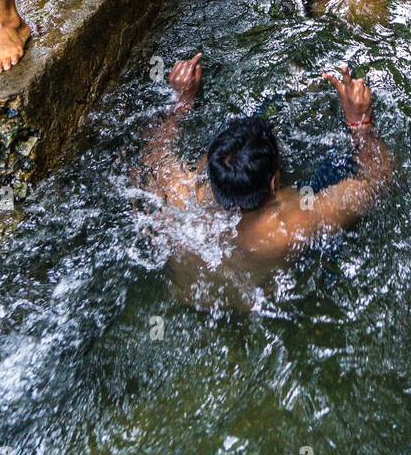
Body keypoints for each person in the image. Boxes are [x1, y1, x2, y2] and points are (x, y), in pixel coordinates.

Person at [142, 52, 391, 294]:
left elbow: (152, 155)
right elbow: (377, 181)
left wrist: (181, 101)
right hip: (269, 288)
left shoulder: (179, 197)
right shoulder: (292, 224)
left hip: (194, 295)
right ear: (273, 182)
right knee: (334, 167)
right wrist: (360, 124)